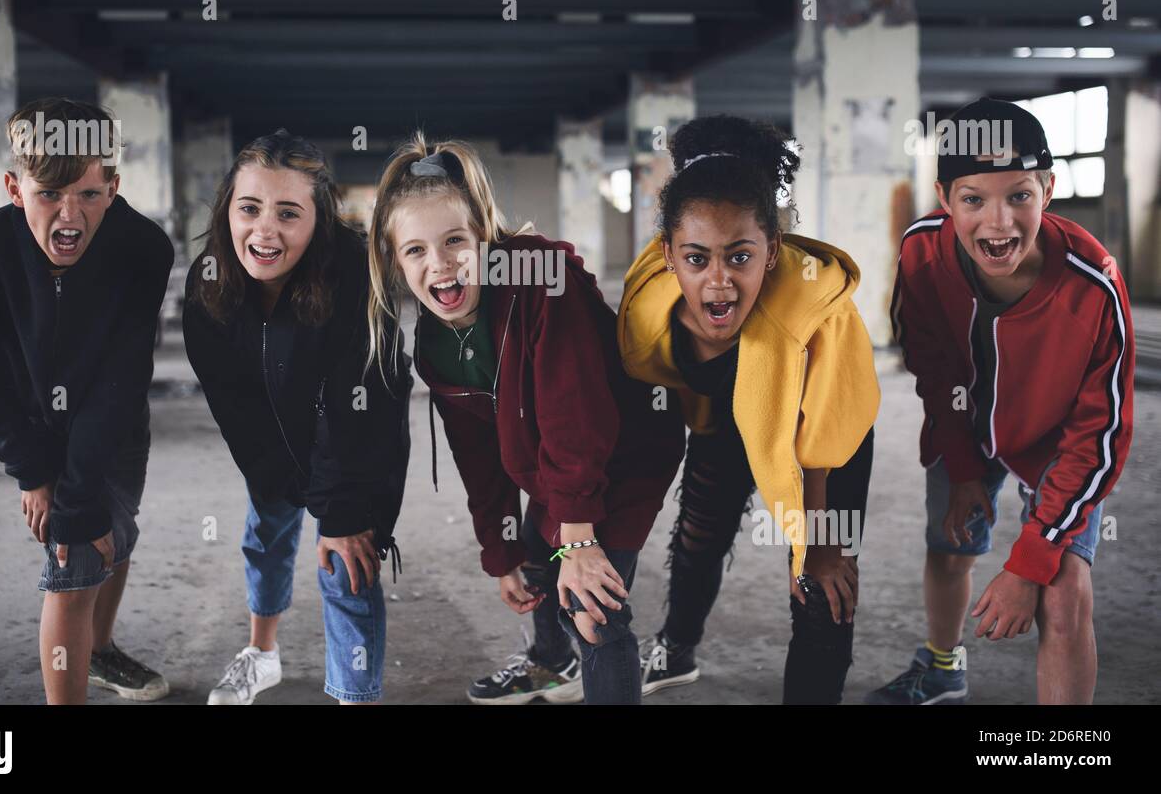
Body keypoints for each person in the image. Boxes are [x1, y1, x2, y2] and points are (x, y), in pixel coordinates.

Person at [365, 133, 685, 705]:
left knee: (593, 610)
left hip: (623, 451)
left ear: (483, 237)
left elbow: (576, 414)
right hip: (552, 462)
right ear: (393, 260)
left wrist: (582, 540)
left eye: (455, 241)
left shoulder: (541, 281)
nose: (439, 264)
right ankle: (549, 666)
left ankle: (586, 662)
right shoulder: (436, 343)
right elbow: (478, 456)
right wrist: (501, 549)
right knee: (537, 549)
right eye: (415, 250)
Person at [868, 98, 1134, 705]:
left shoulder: (1093, 285)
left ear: (1048, 188)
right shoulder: (922, 253)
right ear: (944, 197)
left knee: (1064, 590)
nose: (998, 222)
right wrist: (962, 469)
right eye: (973, 200)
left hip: (1058, 445)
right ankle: (941, 667)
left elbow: (1100, 433)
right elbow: (934, 370)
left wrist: (1029, 560)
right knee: (949, 546)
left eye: (1019, 195)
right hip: (963, 425)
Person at [617, 115, 879, 704]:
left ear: (772, 250)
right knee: (697, 536)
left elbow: (821, 441)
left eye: (740, 257)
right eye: (697, 259)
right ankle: (676, 647)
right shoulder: (647, 307)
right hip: (731, 418)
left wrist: (815, 544)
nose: (719, 282)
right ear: (668, 256)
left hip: (829, 441)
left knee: (823, 583)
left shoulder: (817, 313)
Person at [0, 97, 173, 704]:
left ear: (115, 188)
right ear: (16, 188)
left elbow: (123, 375)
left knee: (108, 534)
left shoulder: (143, 249)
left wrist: (77, 498)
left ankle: (99, 654)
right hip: (30, 424)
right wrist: (33, 469)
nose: (70, 215)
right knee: (72, 567)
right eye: (50, 195)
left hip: (114, 423)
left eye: (90, 196)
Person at [183, 130, 411, 705]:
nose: (264, 230)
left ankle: (355, 693)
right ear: (227, 209)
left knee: (347, 558)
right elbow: (230, 402)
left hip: (358, 431)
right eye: (249, 208)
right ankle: (261, 655)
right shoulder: (209, 282)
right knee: (266, 533)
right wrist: (275, 477)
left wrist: (337, 511)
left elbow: (357, 399)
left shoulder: (355, 272)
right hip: (271, 438)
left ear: (319, 219)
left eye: (289, 213)